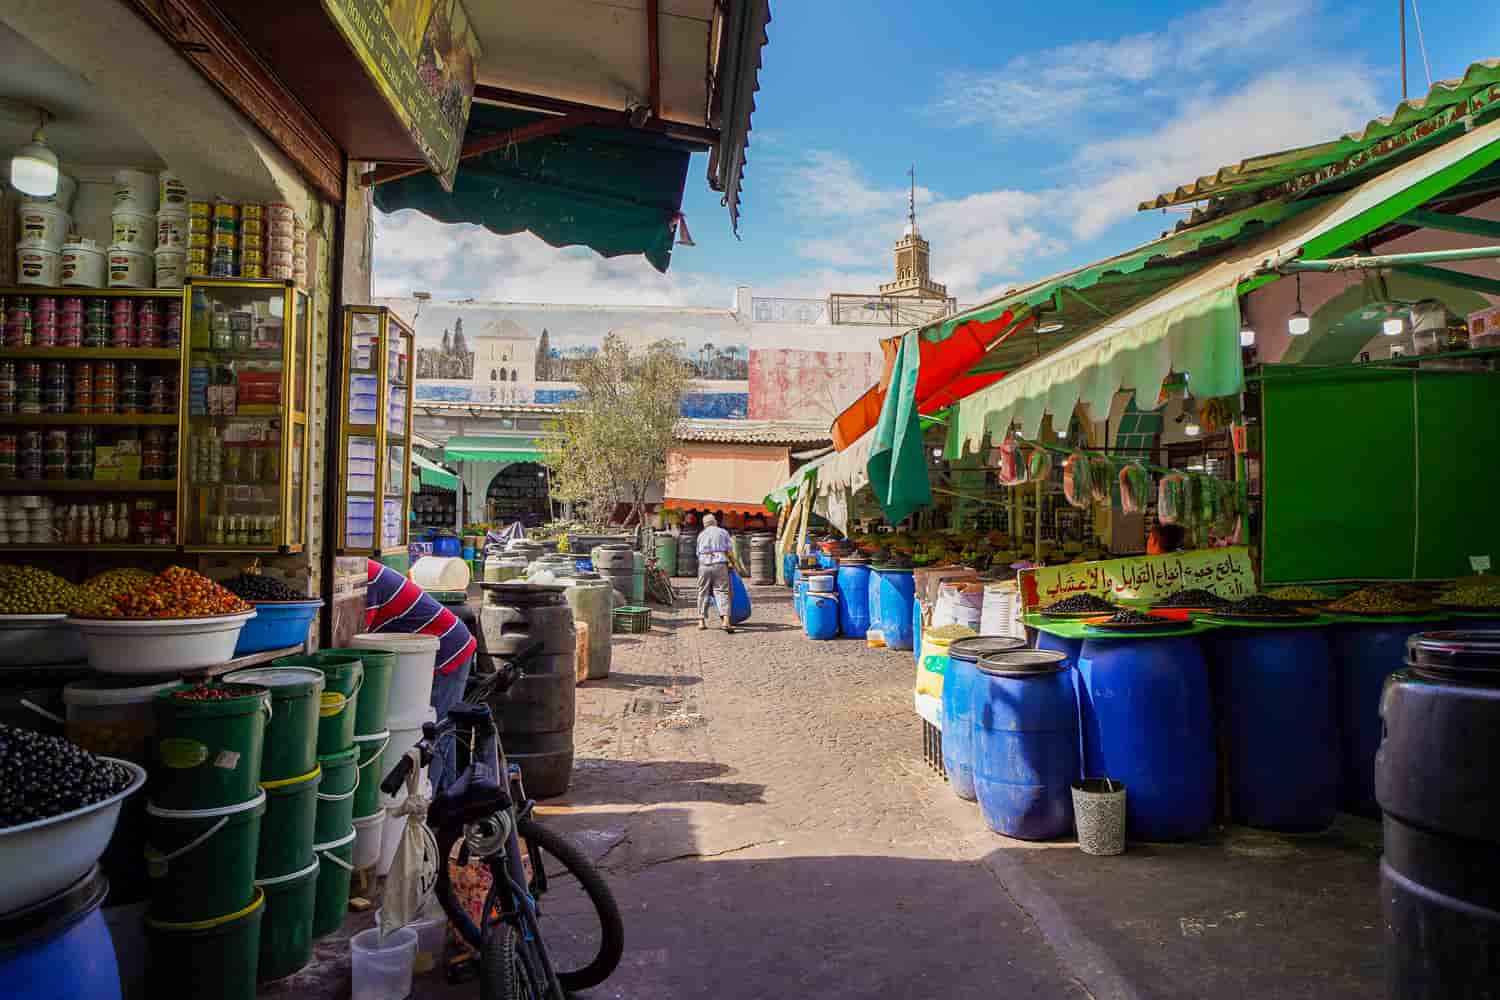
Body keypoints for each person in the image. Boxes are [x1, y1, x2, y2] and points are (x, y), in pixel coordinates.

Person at [364, 559, 477, 790]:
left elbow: (357, 636)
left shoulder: (367, 579)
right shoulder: (366, 574)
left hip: (449, 651)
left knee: (434, 736)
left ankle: (427, 801)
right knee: (443, 732)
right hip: (447, 646)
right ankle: (447, 798)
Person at [696, 514, 735, 633]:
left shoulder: (701, 535)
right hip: (720, 564)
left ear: (704, 524)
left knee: (703, 591)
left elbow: (698, 553)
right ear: (715, 522)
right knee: (722, 591)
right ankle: (726, 621)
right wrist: (733, 563)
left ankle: (701, 621)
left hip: (704, 565)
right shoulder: (722, 532)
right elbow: (729, 550)